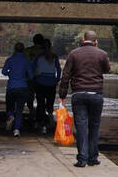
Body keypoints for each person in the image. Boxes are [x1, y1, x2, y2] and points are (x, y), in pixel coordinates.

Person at [58, 31, 110, 167]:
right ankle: (93, 157)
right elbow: (107, 69)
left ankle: (82, 159)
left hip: (79, 94)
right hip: (96, 94)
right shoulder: (102, 54)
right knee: (94, 125)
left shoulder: (74, 54)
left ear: (83, 39)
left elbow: (66, 76)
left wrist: (62, 95)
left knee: (81, 126)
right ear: (96, 41)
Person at [0, 42, 34, 137]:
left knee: (10, 106)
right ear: (23, 50)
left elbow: (3, 72)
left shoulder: (10, 60)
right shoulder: (26, 61)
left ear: (14, 50)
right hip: (23, 87)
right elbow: (31, 76)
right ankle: (16, 130)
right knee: (19, 110)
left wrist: (10, 74)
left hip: (11, 87)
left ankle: (10, 116)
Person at [31, 39, 61, 135]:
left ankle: (42, 124)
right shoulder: (54, 56)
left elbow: (32, 68)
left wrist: (34, 79)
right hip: (51, 83)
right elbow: (59, 70)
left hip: (40, 82)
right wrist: (56, 80)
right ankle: (50, 119)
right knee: (50, 103)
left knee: (40, 104)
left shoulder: (38, 57)